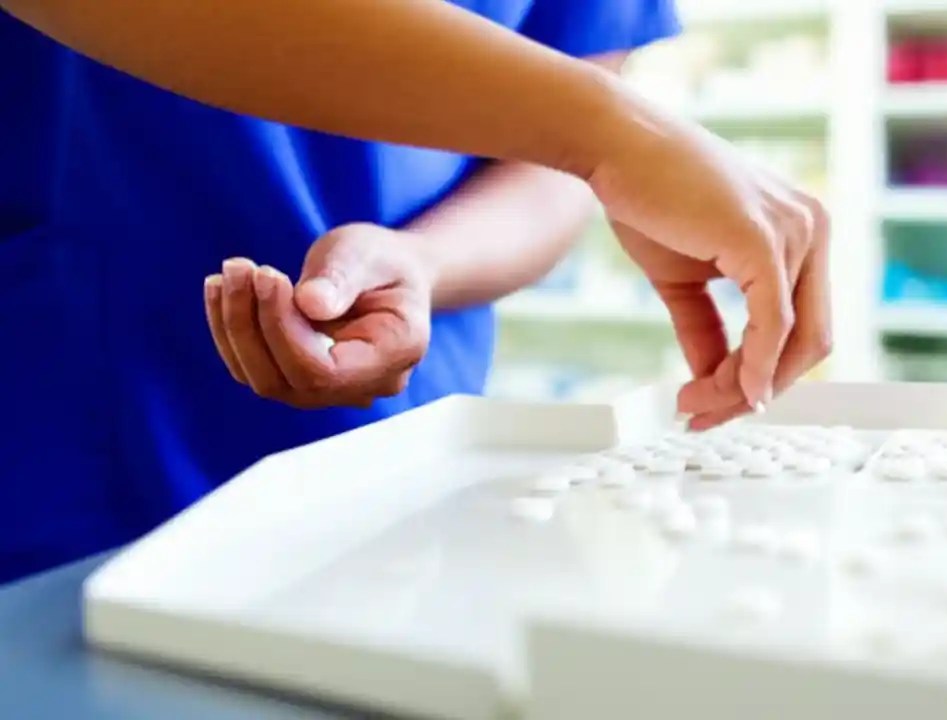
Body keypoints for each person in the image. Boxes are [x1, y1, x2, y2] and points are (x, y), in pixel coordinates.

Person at [0, 0, 831, 584]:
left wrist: (425, 263)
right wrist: (617, 134)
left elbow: (548, 174)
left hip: (404, 435)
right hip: (70, 423)